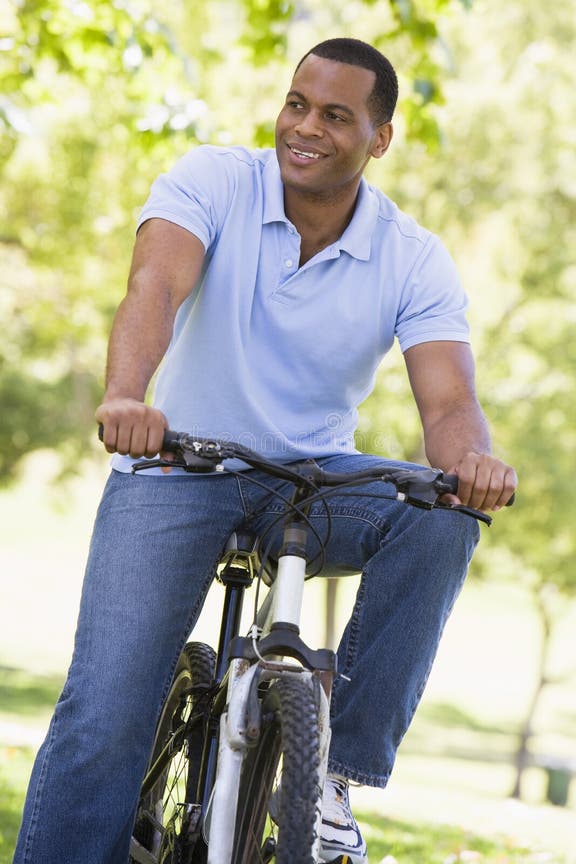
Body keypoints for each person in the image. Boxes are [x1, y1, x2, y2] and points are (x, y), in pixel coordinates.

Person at [14, 37, 517, 864]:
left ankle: (332, 778)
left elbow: (450, 403)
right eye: (296, 104)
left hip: (315, 483)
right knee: (104, 718)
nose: (305, 127)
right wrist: (128, 396)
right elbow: (155, 285)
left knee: (443, 515)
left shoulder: (411, 254)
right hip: (178, 464)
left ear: (380, 139)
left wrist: (472, 464)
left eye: (335, 116)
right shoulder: (214, 180)